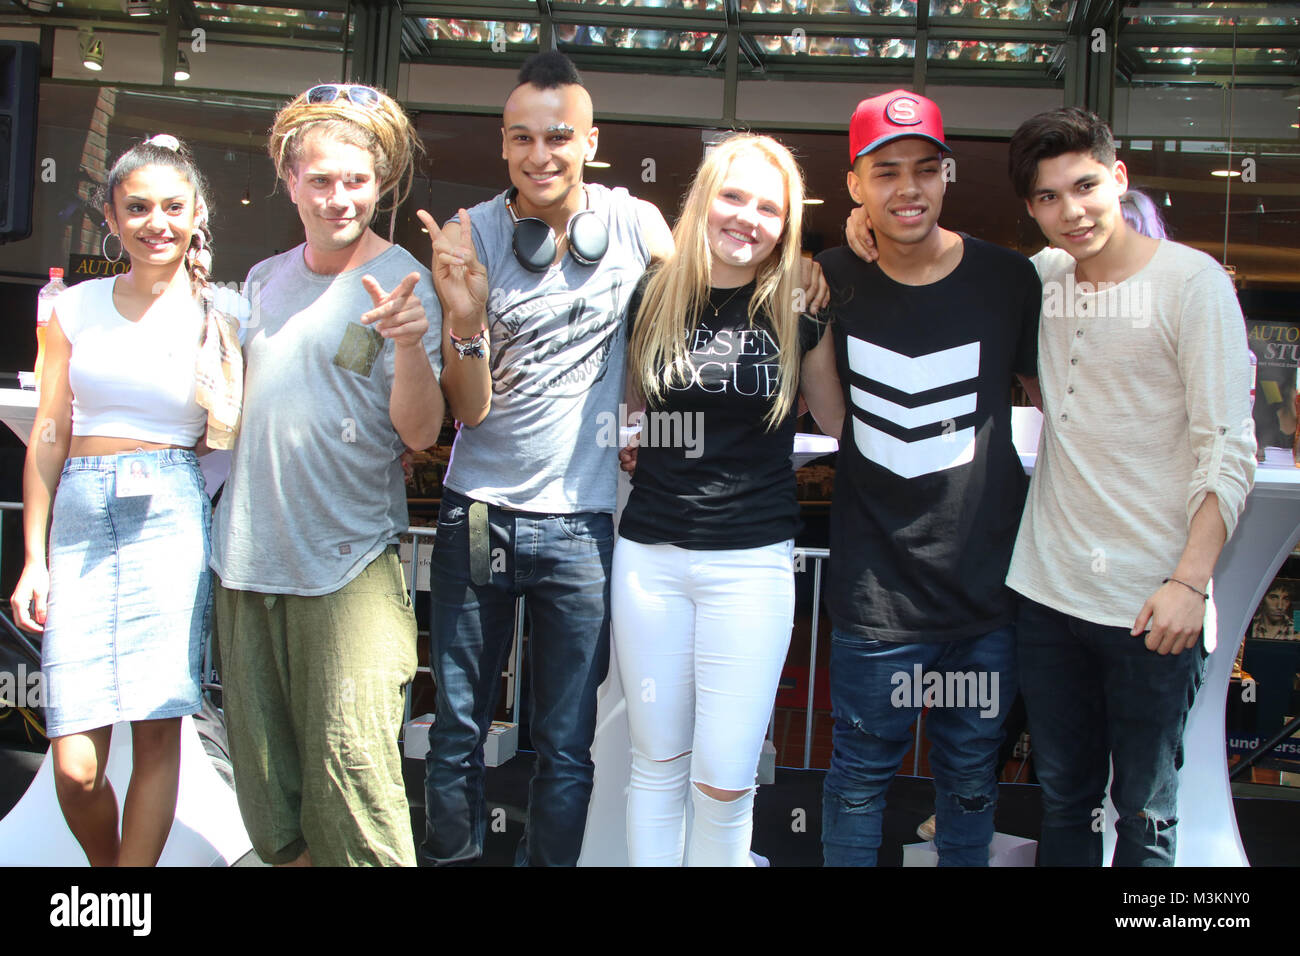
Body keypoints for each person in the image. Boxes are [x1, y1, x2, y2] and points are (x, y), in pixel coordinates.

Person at [416, 51, 675, 867]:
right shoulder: (471, 235)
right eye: (522, 137)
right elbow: (467, 410)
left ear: (590, 141)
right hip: (480, 512)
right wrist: (464, 318)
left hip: (584, 525)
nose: (541, 154)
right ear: (502, 145)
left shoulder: (635, 226)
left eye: (559, 136)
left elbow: (700, 305)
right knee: (458, 724)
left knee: (567, 742)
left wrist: (641, 398)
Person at [1005, 107, 1256, 865]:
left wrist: (1191, 581)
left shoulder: (1193, 284)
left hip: (1153, 606)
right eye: (1048, 197)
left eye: (1084, 186)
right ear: (1031, 208)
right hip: (1047, 596)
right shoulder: (1043, 280)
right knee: (1061, 804)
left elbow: (1228, 448)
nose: (1071, 211)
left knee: (1146, 816)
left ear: (1117, 178)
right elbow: (946, 265)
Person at [210, 83, 445, 867]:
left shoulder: (406, 281)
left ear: (379, 182)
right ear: (289, 180)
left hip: (347, 569)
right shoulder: (263, 279)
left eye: (355, 180)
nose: (338, 198)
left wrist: (410, 344)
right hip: (245, 564)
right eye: (320, 180)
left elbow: (420, 433)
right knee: (271, 801)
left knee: (356, 788)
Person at [817, 90, 1041, 866]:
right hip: (875, 604)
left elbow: (1059, 399)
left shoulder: (1012, 281)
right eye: (885, 173)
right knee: (857, 783)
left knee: (970, 784)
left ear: (948, 176)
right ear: (856, 186)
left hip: (984, 603)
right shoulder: (827, 279)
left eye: (923, 170)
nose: (906, 188)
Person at [10, 135, 243, 866]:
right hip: (78, 516)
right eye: (137, 207)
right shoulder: (72, 310)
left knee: (154, 729)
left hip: (170, 515)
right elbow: (48, 433)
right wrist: (33, 559)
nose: (156, 223)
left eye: (173, 207)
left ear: (197, 213)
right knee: (77, 764)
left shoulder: (225, 312)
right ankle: (111, 877)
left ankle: (122, 903)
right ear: (111, 217)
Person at [612, 133, 842, 866]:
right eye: (734, 197)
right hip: (649, 557)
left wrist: (835, 287)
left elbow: (835, 420)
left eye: (769, 208)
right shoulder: (653, 293)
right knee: (655, 763)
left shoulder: (797, 305)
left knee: (724, 777)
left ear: (787, 225)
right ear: (705, 200)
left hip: (751, 567)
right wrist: (628, 433)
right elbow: (629, 411)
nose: (748, 218)